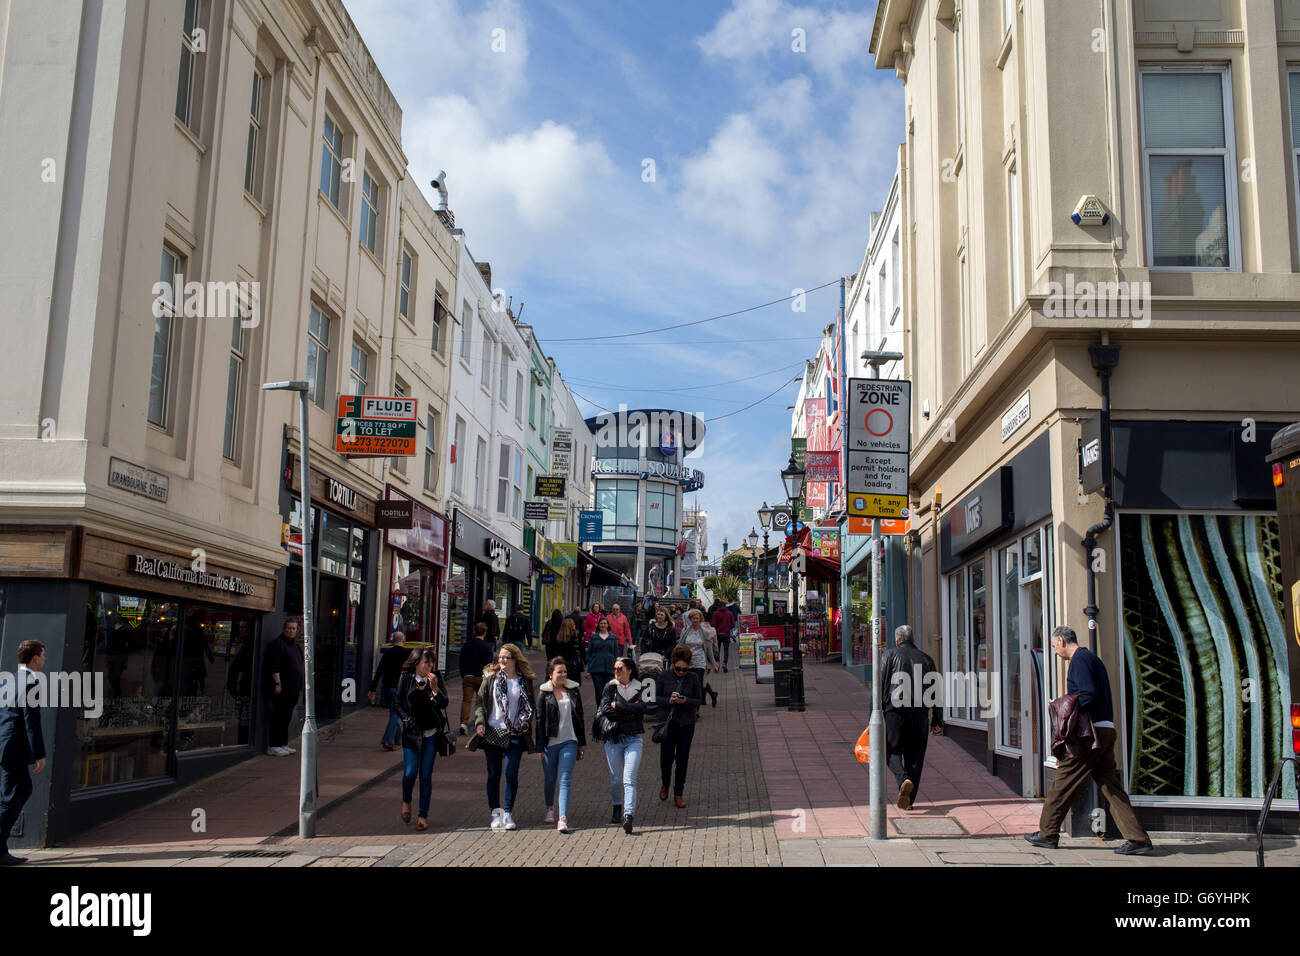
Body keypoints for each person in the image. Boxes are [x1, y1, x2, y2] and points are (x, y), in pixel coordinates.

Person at [1025, 625, 1153, 854]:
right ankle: (1138, 839)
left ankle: (1047, 834)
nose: (1056, 652)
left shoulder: (1080, 660)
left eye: (1055, 646)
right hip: (1104, 729)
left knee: (1062, 782)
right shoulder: (1091, 659)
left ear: (1062, 642)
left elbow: (1086, 694)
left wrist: (1066, 710)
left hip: (1090, 735)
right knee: (1110, 786)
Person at [468, 644, 535, 831]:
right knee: (493, 774)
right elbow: (480, 703)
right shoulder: (491, 679)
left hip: (515, 732)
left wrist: (525, 723)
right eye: (500, 658)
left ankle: (508, 812)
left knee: (511, 773)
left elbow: (529, 706)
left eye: (506, 658)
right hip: (493, 731)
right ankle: (495, 813)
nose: (502, 661)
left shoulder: (523, 681)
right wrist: (480, 722)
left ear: (515, 660)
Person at [878, 625, 944, 810]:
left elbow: (879, 686)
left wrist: (874, 716)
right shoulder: (927, 659)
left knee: (890, 750)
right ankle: (909, 800)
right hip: (919, 714)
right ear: (913, 640)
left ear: (897, 640)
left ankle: (903, 780)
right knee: (915, 757)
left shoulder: (889, 656)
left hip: (895, 712)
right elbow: (935, 693)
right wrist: (937, 720)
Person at [1, 640, 46, 865]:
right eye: (43, 655)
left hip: (6, 745)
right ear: (35, 657)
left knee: (20, 790)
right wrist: (39, 754)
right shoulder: (30, 683)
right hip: (14, 748)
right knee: (10, 798)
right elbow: (31, 722)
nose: (44, 659)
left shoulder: (9, 680)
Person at [394, 648, 448, 832]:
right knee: (409, 773)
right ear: (416, 663)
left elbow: (444, 703)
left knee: (426, 775)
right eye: (427, 662)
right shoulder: (406, 678)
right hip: (411, 733)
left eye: (432, 662)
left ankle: (423, 815)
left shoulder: (435, 678)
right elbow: (396, 703)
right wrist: (406, 719)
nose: (430, 666)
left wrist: (435, 690)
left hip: (431, 732)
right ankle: (406, 801)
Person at [536, 657, 586, 832]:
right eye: (559, 672)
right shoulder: (544, 693)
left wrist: (581, 743)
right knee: (550, 779)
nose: (563, 675)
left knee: (565, 779)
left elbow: (580, 717)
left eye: (565, 671)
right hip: (550, 742)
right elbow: (539, 720)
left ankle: (562, 818)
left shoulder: (573, 690)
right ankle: (549, 807)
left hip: (569, 741)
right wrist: (539, 746)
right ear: (550, 675)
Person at [598, 657, 646, 834]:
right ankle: (617, 806)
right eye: (615, 669)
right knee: (616, 778)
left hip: (634, 738)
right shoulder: (610, 687)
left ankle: (628, 815)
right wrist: (628, 711)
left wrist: (619, 706)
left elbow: (643, 708)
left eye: (620, 668)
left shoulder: (640, 686)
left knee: (629, 778)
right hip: (614, 739)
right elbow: (604, 709)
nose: (617, 671)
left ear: (629, 670)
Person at [654, 646, 702, 808]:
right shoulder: (664, 676)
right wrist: (669, 700)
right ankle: (665, 783)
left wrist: (685, 701)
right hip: (668, 723)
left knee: (682, 759)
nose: (681, 672)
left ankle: (678, 793)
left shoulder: (693, 678)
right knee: (666, 757)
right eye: (678, 668)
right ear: (673, 664)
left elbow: (698, 700)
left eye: (684, 669)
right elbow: (655, 698)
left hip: (686, 723)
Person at [264, 618, 304, 756]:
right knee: (278, 716)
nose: (291, 631)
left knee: (286, 716)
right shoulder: (277, 644)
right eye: (289, 628)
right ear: (284, 629)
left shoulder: (296, 646)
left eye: (294, 628)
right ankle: (274, 745)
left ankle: (283, 743)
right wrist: (277, 683)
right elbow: (274, 666)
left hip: (294, 687)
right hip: (283, 687)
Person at [368, 636, 408, 751]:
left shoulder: (387, 654)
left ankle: (397, 738)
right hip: (399, 688)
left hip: (387, 688)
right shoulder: (407, 653)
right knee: (395, 714)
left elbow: (379, 671)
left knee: (393, 713)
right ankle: (388, 740)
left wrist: (373, 689)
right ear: (403, 641)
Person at [457, 623, 494, 736]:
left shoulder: (467, 645)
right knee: (482, 701)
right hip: (481, 677)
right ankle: (481, 723)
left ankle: (464, 723)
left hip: (468, 676)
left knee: (466, 700)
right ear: (484, 633)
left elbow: (461, 661)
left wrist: (464, 674)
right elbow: (489, 664)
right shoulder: (487, 647)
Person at [681, 609, 719, 708]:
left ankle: (696, 708)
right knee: (689, 684)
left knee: (698, 683)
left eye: (697, 618)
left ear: (700, 619)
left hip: (700, 660)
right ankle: (691, 705)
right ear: (690, 619)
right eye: (693, 618)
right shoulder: (685, 631)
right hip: (688, 660)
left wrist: (714, 663)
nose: (695, 620)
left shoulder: (705, 632)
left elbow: (709, 649)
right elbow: (680, 645)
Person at [586, 617, 619, 711]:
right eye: (601, 623)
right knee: (598, 690)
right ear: (598, 625)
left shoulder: (613, 638)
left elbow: (616, 653)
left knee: (609, 690)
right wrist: (589, 667)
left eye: (605, 623)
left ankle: (608, 709)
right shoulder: (594, 637)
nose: (603, 625)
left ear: (608, 625)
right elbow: (589, 653)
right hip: (596, 668)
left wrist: (617, 667)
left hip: (610, 667)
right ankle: (600, 709)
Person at [710, 601, 735, 673]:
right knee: (726, 650)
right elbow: (733, 624)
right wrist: (728, 628)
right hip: (726, 634)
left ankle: (717, 665)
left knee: (717, 650)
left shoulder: (716, 613)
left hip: (717, 634)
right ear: (725, 606)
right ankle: (724, 663)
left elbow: (713, 624)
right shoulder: (729, 613)